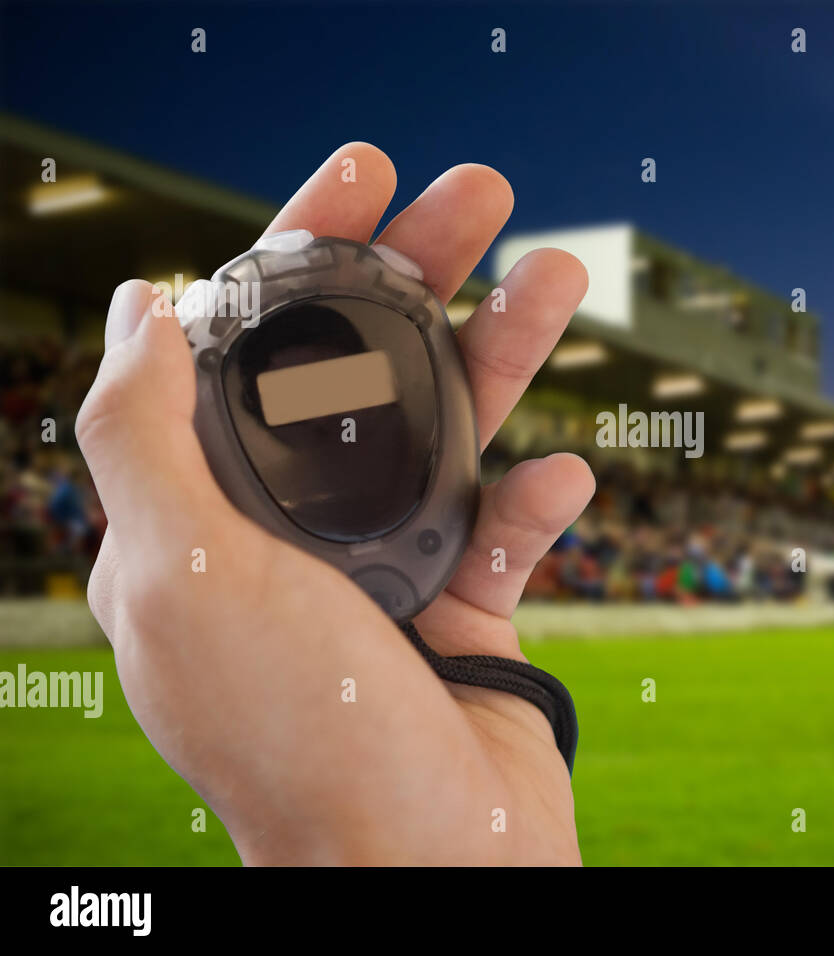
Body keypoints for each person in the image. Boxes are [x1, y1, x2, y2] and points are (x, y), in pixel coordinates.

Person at [75, 144, 593, 865]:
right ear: (246, 413)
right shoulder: (251, 530)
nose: (327, 426)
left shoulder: (401, 380)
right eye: (288, 402)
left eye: (345, 393)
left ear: (401, 396)